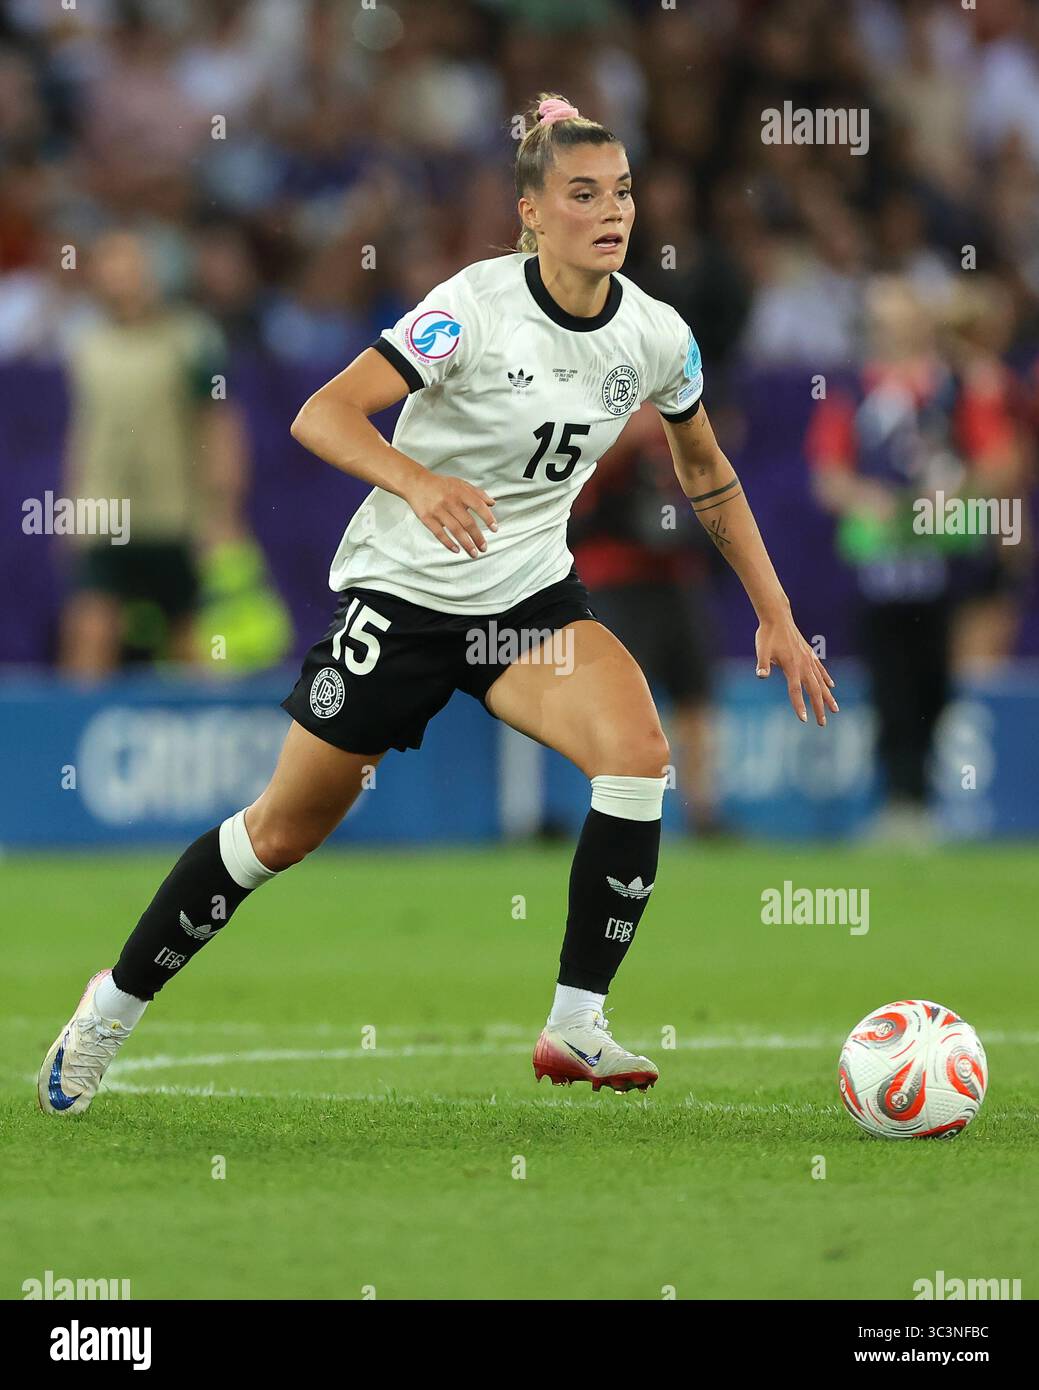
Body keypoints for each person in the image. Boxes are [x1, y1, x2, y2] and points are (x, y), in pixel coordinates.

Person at [39, 94, 835, 1116]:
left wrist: (772, 609)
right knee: (281, 832)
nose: (612, 211)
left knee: (636, 754)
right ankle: (111, 1003)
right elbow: (319, 413)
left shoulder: (654, 336)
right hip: (406, 594)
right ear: (532, 215)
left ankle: (575, 1023)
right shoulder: (471, 306)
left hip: (528, 600)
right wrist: (418, 483)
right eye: (582, 193)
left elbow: (707, 473)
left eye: (623, 192)